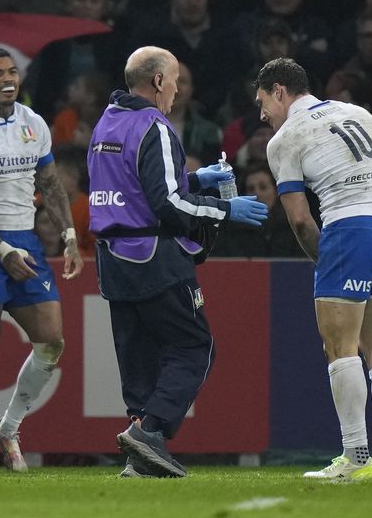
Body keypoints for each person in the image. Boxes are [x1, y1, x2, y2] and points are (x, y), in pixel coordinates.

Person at [87, 46, 268, 478]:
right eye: (175, 80)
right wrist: (225, 209)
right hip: (154, 259)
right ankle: (151, 432)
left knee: (139, 356)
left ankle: (140, 451)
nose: (177, 89)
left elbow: (131, 185)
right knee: (193, 346)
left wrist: (194, 177)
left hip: (112, 260)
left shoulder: (106, 121)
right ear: (157, 82)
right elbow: (168, 204)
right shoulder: (155, 125)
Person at [256, 57, 372, 479]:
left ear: (279, 91)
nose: (262, 115)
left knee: (339, 348)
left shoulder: (286, 138)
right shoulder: (361, 113)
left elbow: (301, 219)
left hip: (349, 232)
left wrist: (330, 258)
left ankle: (354, 459)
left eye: (263, 103)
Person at [0, 47, 84, 474]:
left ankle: (7, 429)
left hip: (27, 240)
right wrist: (2, 251)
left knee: (52, 341)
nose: (8, 79)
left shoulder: (34, 123)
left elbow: (50, 182)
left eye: (12, 72)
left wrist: (68, 235)